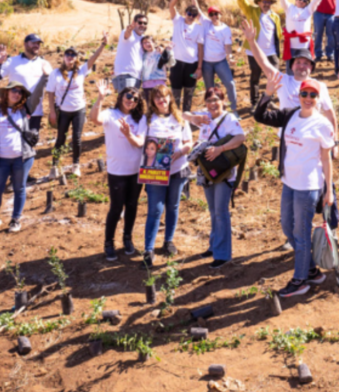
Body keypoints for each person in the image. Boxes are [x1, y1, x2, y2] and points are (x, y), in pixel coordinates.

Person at [254, 74, 335, 296]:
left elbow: (327, 159)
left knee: (300, 234)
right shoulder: (290, 115)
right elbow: (260, 116)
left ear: (318, 98)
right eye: (305, 94)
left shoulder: (322, 124)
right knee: (287, 227)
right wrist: (268, 93)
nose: (308, 98)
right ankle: (311, 271)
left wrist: (329, 189)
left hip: (308, 187)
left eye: (313, 95)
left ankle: (300, 281)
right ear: (298, 96)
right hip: (289, 182)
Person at [0, 66, 50, 236]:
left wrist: (44, 77)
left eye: (20, 92)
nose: (17, 94)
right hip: (0, 160)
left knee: (19, 189)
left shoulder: (25, 109)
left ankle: (15, 219)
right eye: (14, 90)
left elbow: (37, 94)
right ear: (6, 93)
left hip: (22, 158)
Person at [185, 87, 246, 269]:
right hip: (206, 170)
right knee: (213, 211)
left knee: (221, 212)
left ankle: (223, 255)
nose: (212, 104)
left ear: (223, 101)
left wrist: (221, 149)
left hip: (223, 172)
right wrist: (193, 118)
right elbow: (182, 113)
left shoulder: (229, 119)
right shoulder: (205, 118)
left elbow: (240, 137)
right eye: (209, 100)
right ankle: (214, 247)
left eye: (216, 100)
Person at [91, 79, 147, 260]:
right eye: (128, 95)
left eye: (136, 98)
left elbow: (139, 143)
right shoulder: (110, 114)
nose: (131, 100)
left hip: (136, 170)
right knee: (116, 208)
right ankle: (109, 242)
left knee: (132, 206)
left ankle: (127, 239)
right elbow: (95, 119)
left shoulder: (141, 118)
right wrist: (100, 98)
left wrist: (128, 134)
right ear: (121, 96)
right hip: (117, 170)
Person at [141, 85, 194, 266]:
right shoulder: (147, 120)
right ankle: (148, 250)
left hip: (177, 169)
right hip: (155, 171)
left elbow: (189, 142)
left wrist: (179, 153)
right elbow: (141, 142)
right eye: (157, 97)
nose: (161, 100)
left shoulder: (179, 118)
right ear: (153, 101)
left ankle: (168, 241)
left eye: (164, 97)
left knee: (173, 206)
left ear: (171, 98)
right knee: (155, 210)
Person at [47, 32, 108, 176]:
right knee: (60, 138)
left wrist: (103, 44)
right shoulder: (55, 73)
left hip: (78, 110)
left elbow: (93, 58)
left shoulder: (81, 71)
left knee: (77, 138)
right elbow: (50, 93)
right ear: (63, 57)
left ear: (76, 58)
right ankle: (54, 166)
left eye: (73, 55)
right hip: (63, 110)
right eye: (67, 54)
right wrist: (52, 112)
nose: (70, 57)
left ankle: (76, 165)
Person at [0, 33, 52, 136]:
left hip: (35, 112)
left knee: (30, 142)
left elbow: (52, 87)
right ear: (25, 44)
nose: (36, 45)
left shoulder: (44, 64)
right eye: (33, 43)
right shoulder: (12, 61)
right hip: (15, 111)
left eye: (38, 43)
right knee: (14, 141)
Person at [236, 0, 283, 105]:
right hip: (254, 52)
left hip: (271, 52)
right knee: (255, 77)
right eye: (264, 1)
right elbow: (242, 2)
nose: (266, 4)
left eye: (269, 2)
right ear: (259, 3)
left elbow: (278, 34)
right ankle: (255, 102)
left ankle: (270, 101)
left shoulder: (275, 17)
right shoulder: (252, 11)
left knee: (274, 77)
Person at [277, 0, 324, 72]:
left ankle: (302, 87)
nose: (301, 1)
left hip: (304, 47)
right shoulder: (289, 8)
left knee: (303, 72)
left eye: (304, 0)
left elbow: (316, 1)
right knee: (290, 71)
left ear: (307, 3)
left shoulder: (308, 10)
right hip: (291, 46)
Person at [168, 0, 203, 112]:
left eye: (194, 15)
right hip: (176, 63)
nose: (191, 17)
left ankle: (186, 117)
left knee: (189, 92)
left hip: (191, 64)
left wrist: (199, 68)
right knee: (175, 91)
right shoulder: (178, 21)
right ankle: (175, 116)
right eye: (189, 14)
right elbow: (171, 6)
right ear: (185, 13)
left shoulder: (198, 28)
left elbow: (200, 49)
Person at [196, 6, 239, 112]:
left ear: (220, 14)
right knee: (210, 89)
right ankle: (213, 111)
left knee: (230, 84)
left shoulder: (225, 29)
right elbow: (197, 9)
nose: (214, 16)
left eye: (216, 14)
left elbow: (228, 46)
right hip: (206, 63)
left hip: (221, 62)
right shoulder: (206, 24)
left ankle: (234, 109)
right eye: (211, 14)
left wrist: (230, 57)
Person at [112, 16, 148, 92]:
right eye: (140, 22)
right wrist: (129, 30)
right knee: (127, 100)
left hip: (137, 76)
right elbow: (127, 34)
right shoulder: (129, 33)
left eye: (145, 23)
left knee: (130, 102)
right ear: (134, 23)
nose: (143, 25)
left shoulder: (143, 39)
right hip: (126, 74)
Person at [139, 35, 175, 100]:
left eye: (148, 42)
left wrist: (169, 51)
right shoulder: (142, 55)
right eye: (144, 43)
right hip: (146, 86)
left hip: (160, 85)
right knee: (149, 107)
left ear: (154, 43)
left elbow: (171, 64)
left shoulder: (160, 52)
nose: (147, 44)